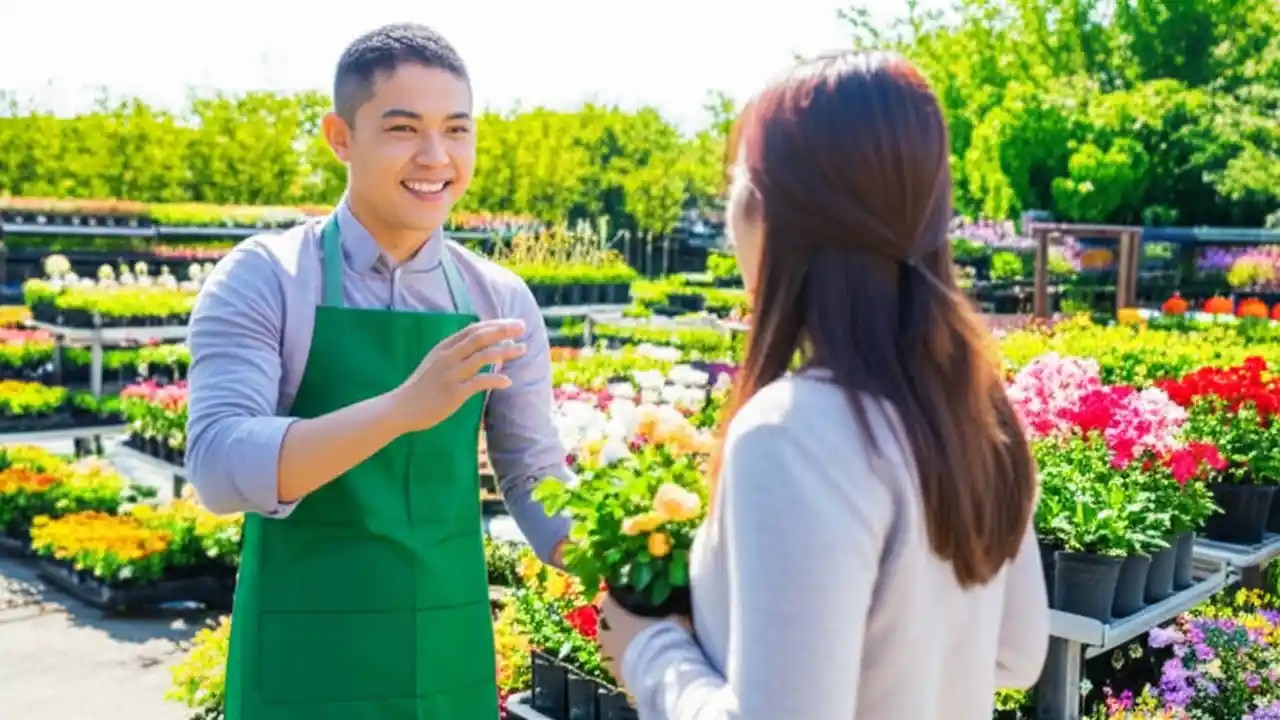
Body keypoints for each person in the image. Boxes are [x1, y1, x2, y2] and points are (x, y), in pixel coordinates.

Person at [597, 50, 1050, 719]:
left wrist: (649, 650)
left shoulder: (793, 432)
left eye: (739, 182)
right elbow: (1017, 652)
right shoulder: (971, 406)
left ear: (776, 211)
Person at [183, 22, 572, 720]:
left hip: (444, 652)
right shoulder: (269, 278)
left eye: (457, 130)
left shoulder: (499, 298)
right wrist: (402, 408)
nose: (436, 156)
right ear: (340, 137)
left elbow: (531, 473)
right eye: (403, 129)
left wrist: (632, 556)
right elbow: (216, 467)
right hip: (304, 657)